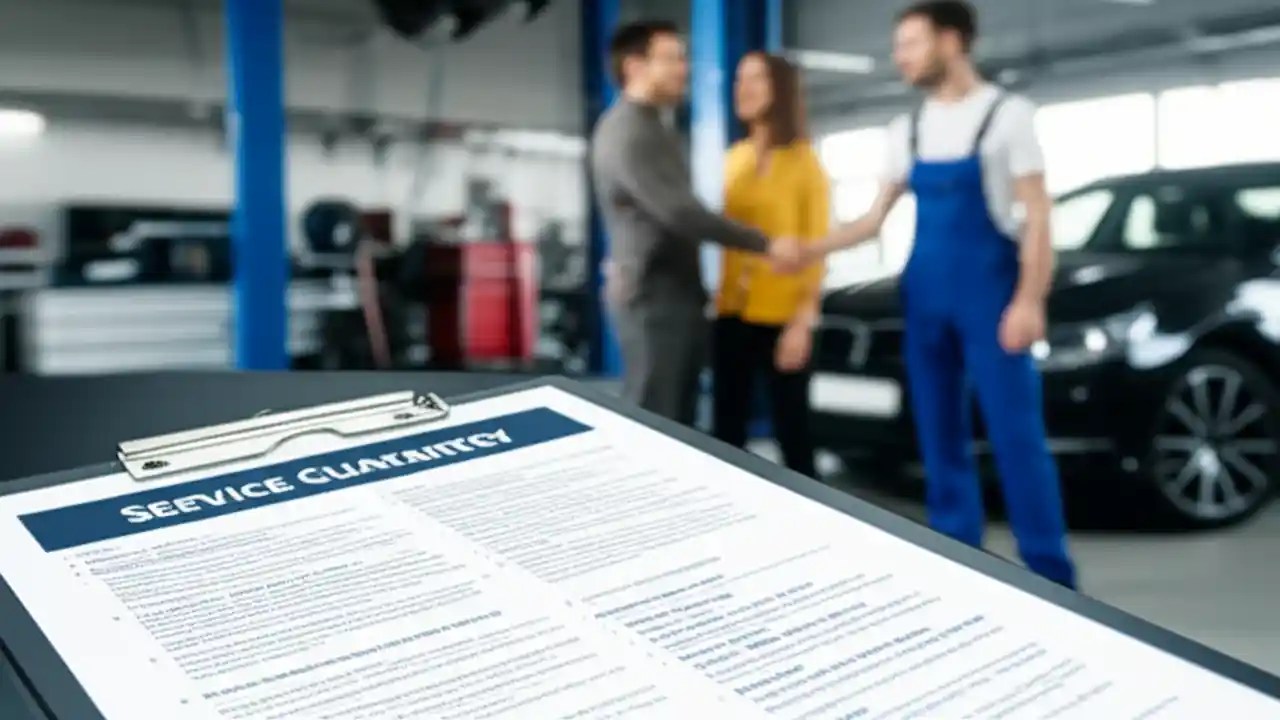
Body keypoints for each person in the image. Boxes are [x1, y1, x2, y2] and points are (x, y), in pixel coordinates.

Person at [778, 0, 1077, 588]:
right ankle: (956, 559)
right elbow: (871, 221)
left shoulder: (1007, 116)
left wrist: (1029, 298)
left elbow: (1038, 216)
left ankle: (1050, 572)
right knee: (938, 435)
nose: (901, 57)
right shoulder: (905, 128)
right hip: (924, 294)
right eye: (899, 46)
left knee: (1016, 436)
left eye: (912, 43)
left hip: (991, 293)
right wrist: (808, 249)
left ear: (953, 40)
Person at [591, 21, 796, 426]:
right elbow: (679, 212)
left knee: (674, 415)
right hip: (655, 296)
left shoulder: (652, 125)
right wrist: (765, 244)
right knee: (657, 420)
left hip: (670, 292)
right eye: (672, 58)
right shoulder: (631, 130)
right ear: (635, 66)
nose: (684, 68)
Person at [712, 52, 828, 477]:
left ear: (780, 89)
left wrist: (802, 323)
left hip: (782, 316)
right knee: (726, 431)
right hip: (729, 312)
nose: (743, 88)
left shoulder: (805, 163)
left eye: (756, 79)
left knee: (793, 432)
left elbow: (816, 249)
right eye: (739, 79)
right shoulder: (733, 158)